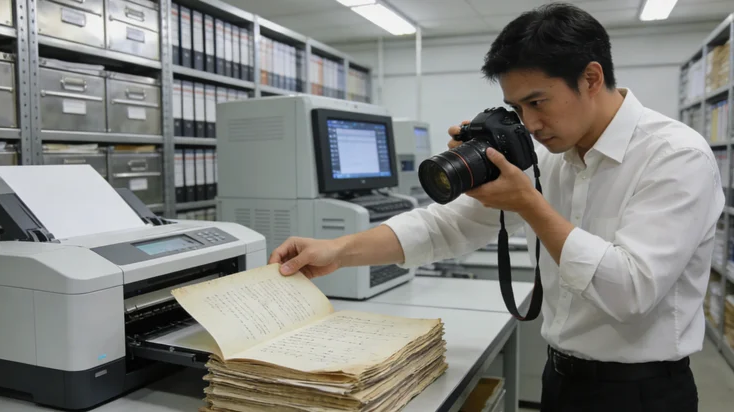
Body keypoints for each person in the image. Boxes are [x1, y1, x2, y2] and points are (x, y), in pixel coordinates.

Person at [268, 3, 723, 412]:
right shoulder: (549, 155)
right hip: (560, 380)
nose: (530, 123)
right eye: (517, 108)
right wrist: (339, 250)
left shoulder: (675, 156)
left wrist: (528, 203)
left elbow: (632, 291)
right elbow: (445, 226)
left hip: (642, 393)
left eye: (537, 102)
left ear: (591, 78)